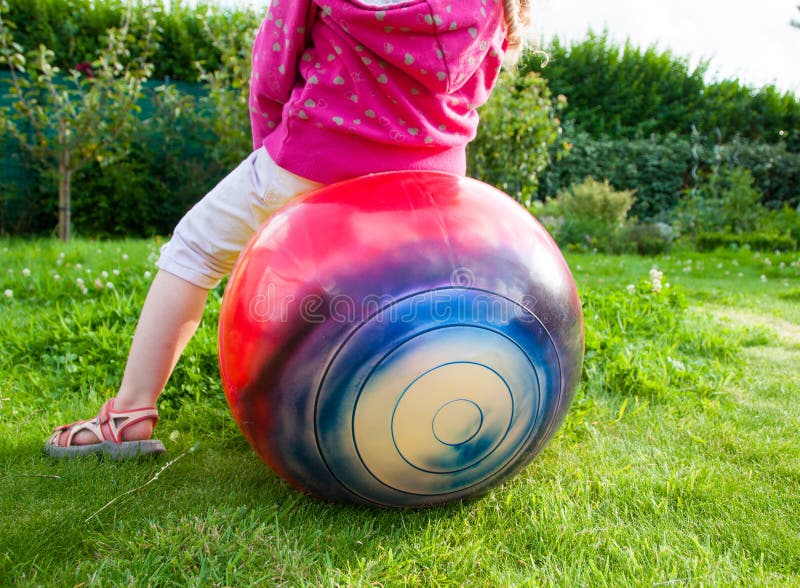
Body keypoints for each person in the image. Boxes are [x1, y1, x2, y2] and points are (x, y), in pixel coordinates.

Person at [45, 0, 531, 458]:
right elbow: (476, 87)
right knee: (413, 295)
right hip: (429, 182)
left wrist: (271, 154)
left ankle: (129, 414)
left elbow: (272, 69)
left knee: (193, 252)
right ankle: (435, 412)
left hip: (316, 154)